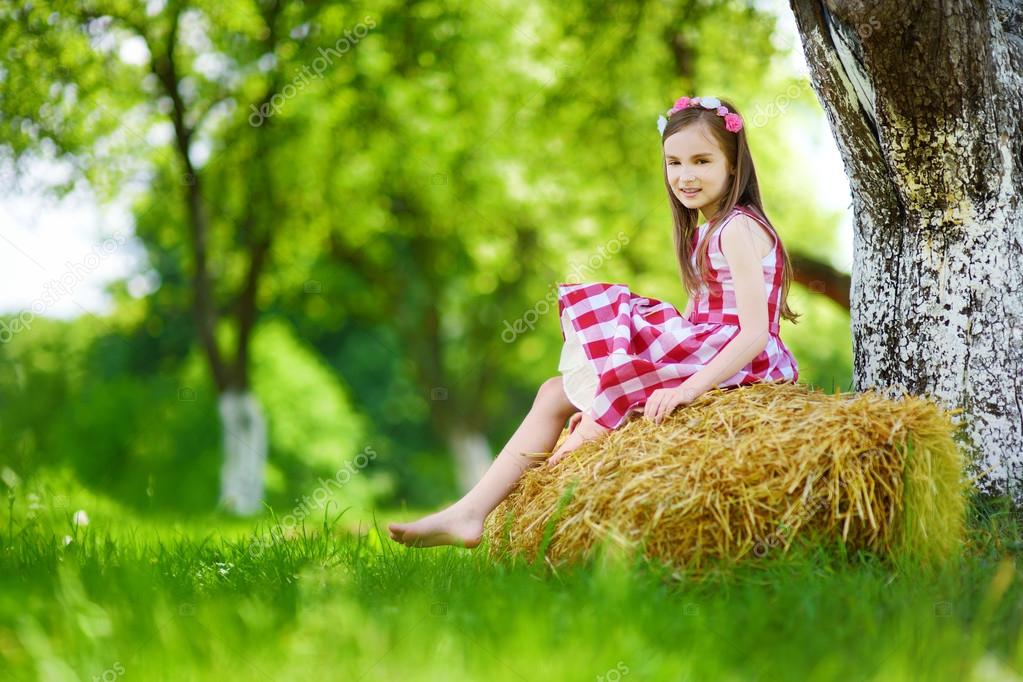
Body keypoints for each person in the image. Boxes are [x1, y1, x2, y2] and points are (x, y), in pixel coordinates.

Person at [388, 95, 800, 548]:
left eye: (702, 161)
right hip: (710, 349)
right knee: (555, 392)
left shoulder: (738, 228)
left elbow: (755, 334)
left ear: (733, 163)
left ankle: (502, 522)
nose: (685, 175)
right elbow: (698, 318)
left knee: (610, 331)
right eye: (674, 162)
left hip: (739, 359)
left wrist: (684, 390)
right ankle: (478, 514)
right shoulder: (710, 230)